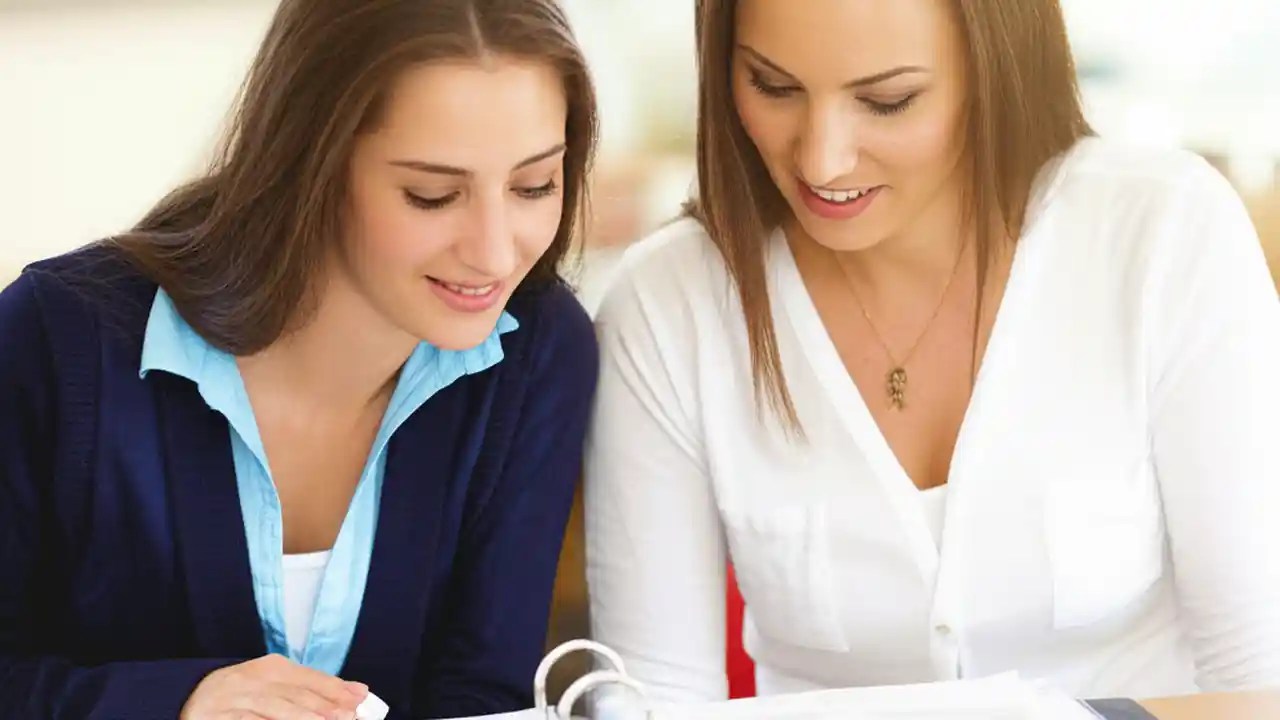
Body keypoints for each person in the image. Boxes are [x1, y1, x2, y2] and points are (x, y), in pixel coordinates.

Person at [585, 0, 1280, 707]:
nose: (822, 157)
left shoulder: (1163, 235)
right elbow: (653, 701)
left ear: (996, 69)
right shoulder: (667, 305)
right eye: (774, 87)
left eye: (889, 101)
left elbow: (1263, 678)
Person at [0, 0, 599, 718]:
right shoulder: (59, 342)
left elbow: (484, 694)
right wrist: (174, 703)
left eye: (535, 186)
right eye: (431, 196)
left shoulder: (535, 350)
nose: (497, 252)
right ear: (310, 163)